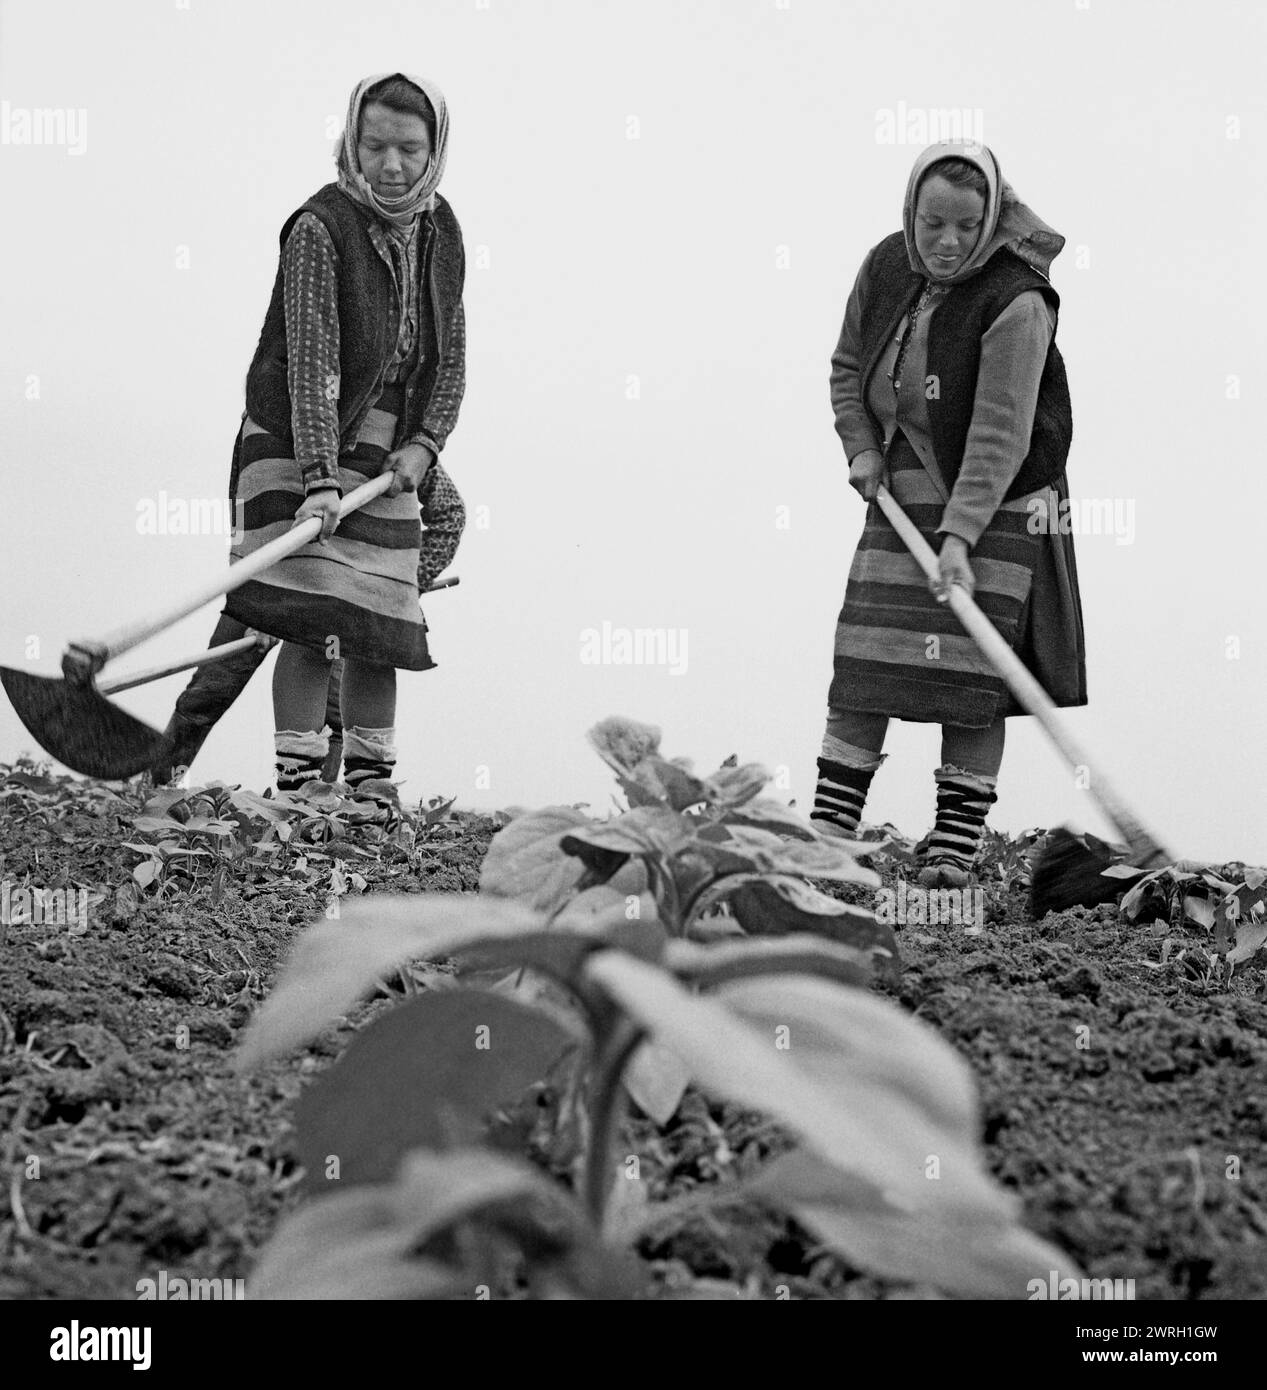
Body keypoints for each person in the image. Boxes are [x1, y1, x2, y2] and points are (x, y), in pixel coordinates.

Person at [813, 141, 1086, 888]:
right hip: (902, 479)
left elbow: (1001, 431)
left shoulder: (1016, 300)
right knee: (867, 658)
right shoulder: (885, 266)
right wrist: (861, 448)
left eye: (966, 226)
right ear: (911, 213)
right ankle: (828, 839)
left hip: (1001, 498)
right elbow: (846, 366)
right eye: (932, 222)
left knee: (971, 676)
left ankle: (950, 857)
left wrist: (960, 535)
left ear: (991, 220)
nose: (946, 241)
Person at [222, 71, 466, 797]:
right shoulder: (318, 228)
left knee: (376, 622)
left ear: (434, 152)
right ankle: (298, 792)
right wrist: (319, 478)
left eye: (409, 149)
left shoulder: (440, 228)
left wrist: (426, 441)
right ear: (350, 142)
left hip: (391, 441)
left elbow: (450, 350)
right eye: (374, 145)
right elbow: (312, 359)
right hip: (300, 430)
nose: (391, 165)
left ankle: (369, 790)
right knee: (308, 617)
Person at [147, 458, 466, 787]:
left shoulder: (399, 448)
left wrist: (396, 587)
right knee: (210, 690)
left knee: (331, 713)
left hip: (340, 598)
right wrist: (267, 600)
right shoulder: (275, 430)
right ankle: (159, 790)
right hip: (270, 579)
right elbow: (247, 509)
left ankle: (313, 810)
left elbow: (450, 515)